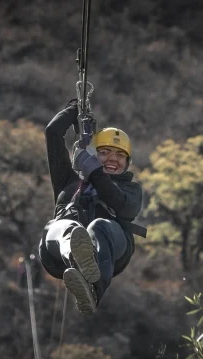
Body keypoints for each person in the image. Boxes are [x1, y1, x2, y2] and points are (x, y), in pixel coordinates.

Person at [38, 100, 146, 315]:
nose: (112, 159)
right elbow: (53, 133)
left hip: (109, 252)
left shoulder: (131, 189)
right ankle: (77, 258)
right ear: (92, 153)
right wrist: (75, 109)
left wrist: (93, 170)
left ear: (128, 162)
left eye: (120, 155)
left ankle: (93, 289)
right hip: (58, 253)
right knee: (65, 226)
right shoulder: (68, 180)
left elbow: (123, 207)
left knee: (99, 226)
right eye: (105, 152)